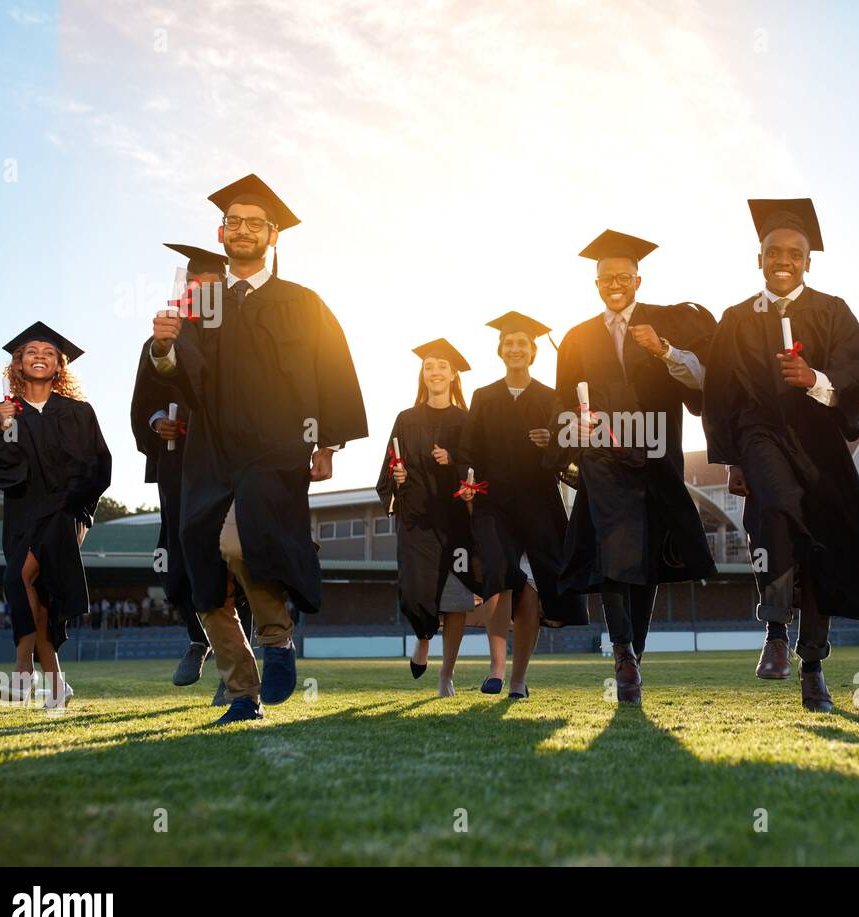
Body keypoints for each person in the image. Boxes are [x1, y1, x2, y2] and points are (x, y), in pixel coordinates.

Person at [148, 173, 368, 723]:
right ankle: (242, 693)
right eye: (234, 222)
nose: (242, 230)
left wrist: (327, 444)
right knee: (203, 569)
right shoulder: (206, 303)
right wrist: (164, 349)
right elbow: (184, 376)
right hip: (210, 448)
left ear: (274, 235)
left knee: (242, 544)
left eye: (255, 223)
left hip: (275, 445)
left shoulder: (302, 301)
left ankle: (276, 637)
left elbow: (332, 373)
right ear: (222, 234)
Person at [703, 198, 859, 712]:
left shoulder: (832, 310)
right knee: (775, 507)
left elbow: (856, 366)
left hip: (819, 439)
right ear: (759, 260)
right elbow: (720, 395)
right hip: (761, 434)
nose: (784, 260)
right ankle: (775, 630)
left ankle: (813, 665)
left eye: (794, 253)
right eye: (773, 251)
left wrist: (815, 379)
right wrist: (731, 459)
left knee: (820, 544)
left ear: (808, 262)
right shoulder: (736, 319)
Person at [550, 229, 716, 704]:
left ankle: (633, 656)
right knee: (612, 553)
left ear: (638, 280)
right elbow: (565, 403)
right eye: (606, 278)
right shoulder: (577, 337)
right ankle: (622, 650)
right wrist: (569, 431)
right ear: (596, 283)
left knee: (645, 561)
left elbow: (703, 382)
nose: (614, 284)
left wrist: (664, 351)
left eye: (623, 277)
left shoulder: (667, 323)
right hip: (602, 457)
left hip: (658, 453)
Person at [131, 242, 253, 705]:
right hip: (176, 462)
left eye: (211, 285)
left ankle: (233, 663)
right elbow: (143, 400)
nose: (202, 291)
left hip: (224, 462)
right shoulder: (162, 339)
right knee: (173, 557)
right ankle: (197, 636)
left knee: (226, 555)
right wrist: (152, 423)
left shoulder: (234, 337)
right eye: (195, 284)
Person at [0, 323, 112, 708]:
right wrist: (4, 430)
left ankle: (22, 670)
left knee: (17, 577)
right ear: (18, 363)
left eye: (48, 353)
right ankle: (56, 683)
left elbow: (98, 466)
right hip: (22, 512)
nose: (38, 356)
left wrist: (79, 510)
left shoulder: (78, 412)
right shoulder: (3, 412)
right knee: (39, 595)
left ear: (59, 366)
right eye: (30, 351)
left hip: (66, 508)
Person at [457, 312, 589, 699]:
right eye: (509, 344)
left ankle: (518, 680)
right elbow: (468, 450)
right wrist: (465, 486)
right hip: (494, 502)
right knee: (499, 577)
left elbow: (568, 455)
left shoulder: (551, 399)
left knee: (531, 590)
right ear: (501, 351)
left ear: (532, 352)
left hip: (538, 503)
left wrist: (551, 440)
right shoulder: (483, 397)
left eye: (522, 344)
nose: (515, 349)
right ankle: (496, 670)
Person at [377, 339, 479, 697]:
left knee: (454, 600)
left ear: (453, 375)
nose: (434, 371)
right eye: (428, 366)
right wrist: (397, 477)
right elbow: (390, 465)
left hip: (454, 523)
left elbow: (477, 467)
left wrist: (453, 462)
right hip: (416, 521)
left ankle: (446, 675)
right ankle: (423, 636)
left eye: (441, 366)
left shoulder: (467, 420)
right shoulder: (406, 420)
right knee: (416, 591)